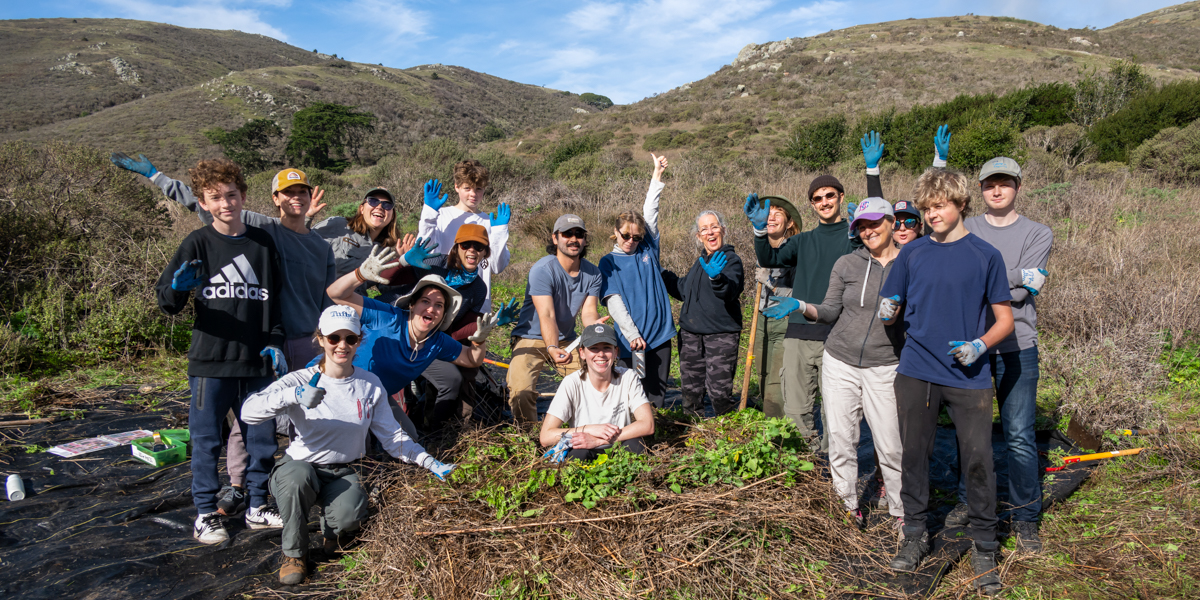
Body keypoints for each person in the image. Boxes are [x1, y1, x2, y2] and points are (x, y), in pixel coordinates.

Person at [112, 156, 338, 517]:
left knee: (274, 430)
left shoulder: (306, 245)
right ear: (274, 198)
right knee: (221, 435)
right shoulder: (250, 234)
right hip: (223, 354)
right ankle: (223, 500)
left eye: (302, 191)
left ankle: (274, 495)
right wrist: (156, 177)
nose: (226, 203)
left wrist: (304, 339)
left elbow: (305, 297)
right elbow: (202, 203)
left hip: (283, 348)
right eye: (288, 192)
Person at [242, 305, 456, 584]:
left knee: (348, 519)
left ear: (359, 340)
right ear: (320, 339)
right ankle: (294, 552)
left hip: (345, 469)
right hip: (301, 466)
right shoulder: (300, 380)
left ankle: (334, 533)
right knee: (296, 479)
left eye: (350, 339)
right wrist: (292, 395)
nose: (341, 346)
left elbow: (392, 437)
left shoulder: (369, 384)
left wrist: (429, 461)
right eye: (333, 338)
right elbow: (249, 411)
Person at [879, 168, 1014, 596]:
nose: (931, 214)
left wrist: (979, 344)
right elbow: (893, 303)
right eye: (926, 208)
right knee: (913, 456)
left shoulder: (985, 255)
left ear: (959, 205)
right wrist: (888, 310)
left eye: (939, 206)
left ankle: (984, 546)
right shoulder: (911, 254)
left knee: (979, 460)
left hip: (969, 375)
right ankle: (915, 534)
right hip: (916, 370)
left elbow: (1005, 321)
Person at [154, 158, 286, 545]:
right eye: (216, 197)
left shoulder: (263, 244)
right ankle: (206, 513)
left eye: (232, 195)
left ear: (244, 196)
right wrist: (180, 288)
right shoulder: (197, 243)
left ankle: (258, 506)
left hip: (256, 361)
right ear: (204, 203)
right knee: (207, 439)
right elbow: (168, 301)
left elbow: (274, 303)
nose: (226, 203)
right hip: (211, 361)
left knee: (261, 439)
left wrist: (275, 341)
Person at [763, 199, 906, 533]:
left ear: (890, 222)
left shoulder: (909, 263)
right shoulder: (847, 263)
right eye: (862, 226)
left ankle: (901, 511)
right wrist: (800, 305)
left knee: (890, 443)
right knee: (841, 438)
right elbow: (828, 310)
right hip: (840, 360)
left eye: (875, 223)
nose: (869, 231)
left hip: (885, 365)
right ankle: (848, 505)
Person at [943, 156, 1052, 553]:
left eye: (1004, 183)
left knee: (1019, 436)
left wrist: (982, 275)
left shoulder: (1038, 233)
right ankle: (965, 501)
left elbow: (1022, 294)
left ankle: (1026, 517)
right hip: (970, 346)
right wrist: (1014, 273)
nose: (997, 190)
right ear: (981, 189)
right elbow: (954, 273)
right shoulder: (966, 226)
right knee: (968, 433)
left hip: (1016, 344)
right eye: (990, 184)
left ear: (1018, 187)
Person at [324, 244, 496, 427]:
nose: (431, 308)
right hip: (338, 389)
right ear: (412, 304)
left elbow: (472, 359)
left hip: (375, 398)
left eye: (439, 305)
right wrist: (360, 275)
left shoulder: (436, 341)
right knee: (356, 442)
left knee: (408, 439)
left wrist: (479, 340)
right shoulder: (388, 317)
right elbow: (337, 295)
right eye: (425, 301)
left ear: (444, 313)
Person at [744, 175, 857, 450]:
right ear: (812, 204)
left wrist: (860, 231)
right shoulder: (803, 241)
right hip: (798, 333)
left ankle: (836, 474)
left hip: (837, 336)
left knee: (836, 412)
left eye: (830, 195)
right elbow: (770, 258)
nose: (824, 202)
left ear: (841, 197)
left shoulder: (852, 237)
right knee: (795, 410)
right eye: (817, 198)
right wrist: (760, 232)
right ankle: (808, 470)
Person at [385, 226, 522, 430]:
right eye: (466, 245)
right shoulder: (433, 263)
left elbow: (456, 330)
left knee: (455, 378)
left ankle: (434, 432)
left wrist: (490, 322)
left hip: (431, 340)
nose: (472, 251)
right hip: (397, 330)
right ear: (456, 248)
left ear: (486, 252)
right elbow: (383, 282)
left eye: (479, 247)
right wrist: (402, 262)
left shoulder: (477, 288)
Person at [508, 214, 603, 423]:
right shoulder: (543, 270)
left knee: (593, 380)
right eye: (567, 234)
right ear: (555, 238)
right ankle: (529, 436)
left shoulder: (593, 273)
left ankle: (583, 432)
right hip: (530, 337)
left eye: (579, 234)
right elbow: (547, 314)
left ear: (585, 239)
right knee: (521, 391)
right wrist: (552, 347)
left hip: (567, 340)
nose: (573, 239)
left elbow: (588, 312)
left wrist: (594, 328)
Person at [598, 154, 675, 408]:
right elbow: (614, 302)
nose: (631, 241)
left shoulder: (647, 251)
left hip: (660, 335)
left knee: (657, 394)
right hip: (633, 341)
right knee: (633, 392)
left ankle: (656, 439)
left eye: (636, 236)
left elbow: (650, 213)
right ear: (616, 232)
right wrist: (632, 335)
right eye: (625, 235)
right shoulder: (608, 262)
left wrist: (656, 176)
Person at [662, 210, 745, 416]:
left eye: (714, 227)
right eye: (704, 229)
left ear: (723, 230)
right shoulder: (700, 263)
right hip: (691, 336)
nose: (710, 232)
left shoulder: (730, 260)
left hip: (720, 336)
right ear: (699, 236)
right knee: (690, 391)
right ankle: (693, 432)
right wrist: (661, 273)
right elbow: (683, 290)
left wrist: (717, 278)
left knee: (719, 393)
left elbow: (730, 290)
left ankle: (726, 432)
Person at [539, 323, 656, 461]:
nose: (601, 354)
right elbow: (546, 437)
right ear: (582, 353)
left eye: (607, 348)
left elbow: (648, 425)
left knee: (636, 446)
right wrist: (589, 429)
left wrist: (600, 441)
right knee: (578, 454)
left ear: (616, 352)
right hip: (585, 447)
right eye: (593, 348)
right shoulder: (571, 383)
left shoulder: (629, 377)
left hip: (618, 444)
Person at [419, 159, 511, 310]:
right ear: (457, 187)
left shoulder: (490, 222)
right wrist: (429, 215)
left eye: (479, 189)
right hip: (442, 300)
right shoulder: (442, 215)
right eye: (467, 188)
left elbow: (496, 267)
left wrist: (499, 232)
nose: (473, 194)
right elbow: (426, 253)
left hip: (477, 303)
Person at [746, 195, 800, 418]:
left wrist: (772, 285)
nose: (772, 217)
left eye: (779, 213)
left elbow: (802, 293)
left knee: (777, 380)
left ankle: (776, 432)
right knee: (762, 375)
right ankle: (769, 423)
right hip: (761, 321)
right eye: (770, 213)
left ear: (789, 223)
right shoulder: (763, 248)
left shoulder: (796, 250)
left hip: (783, 322)